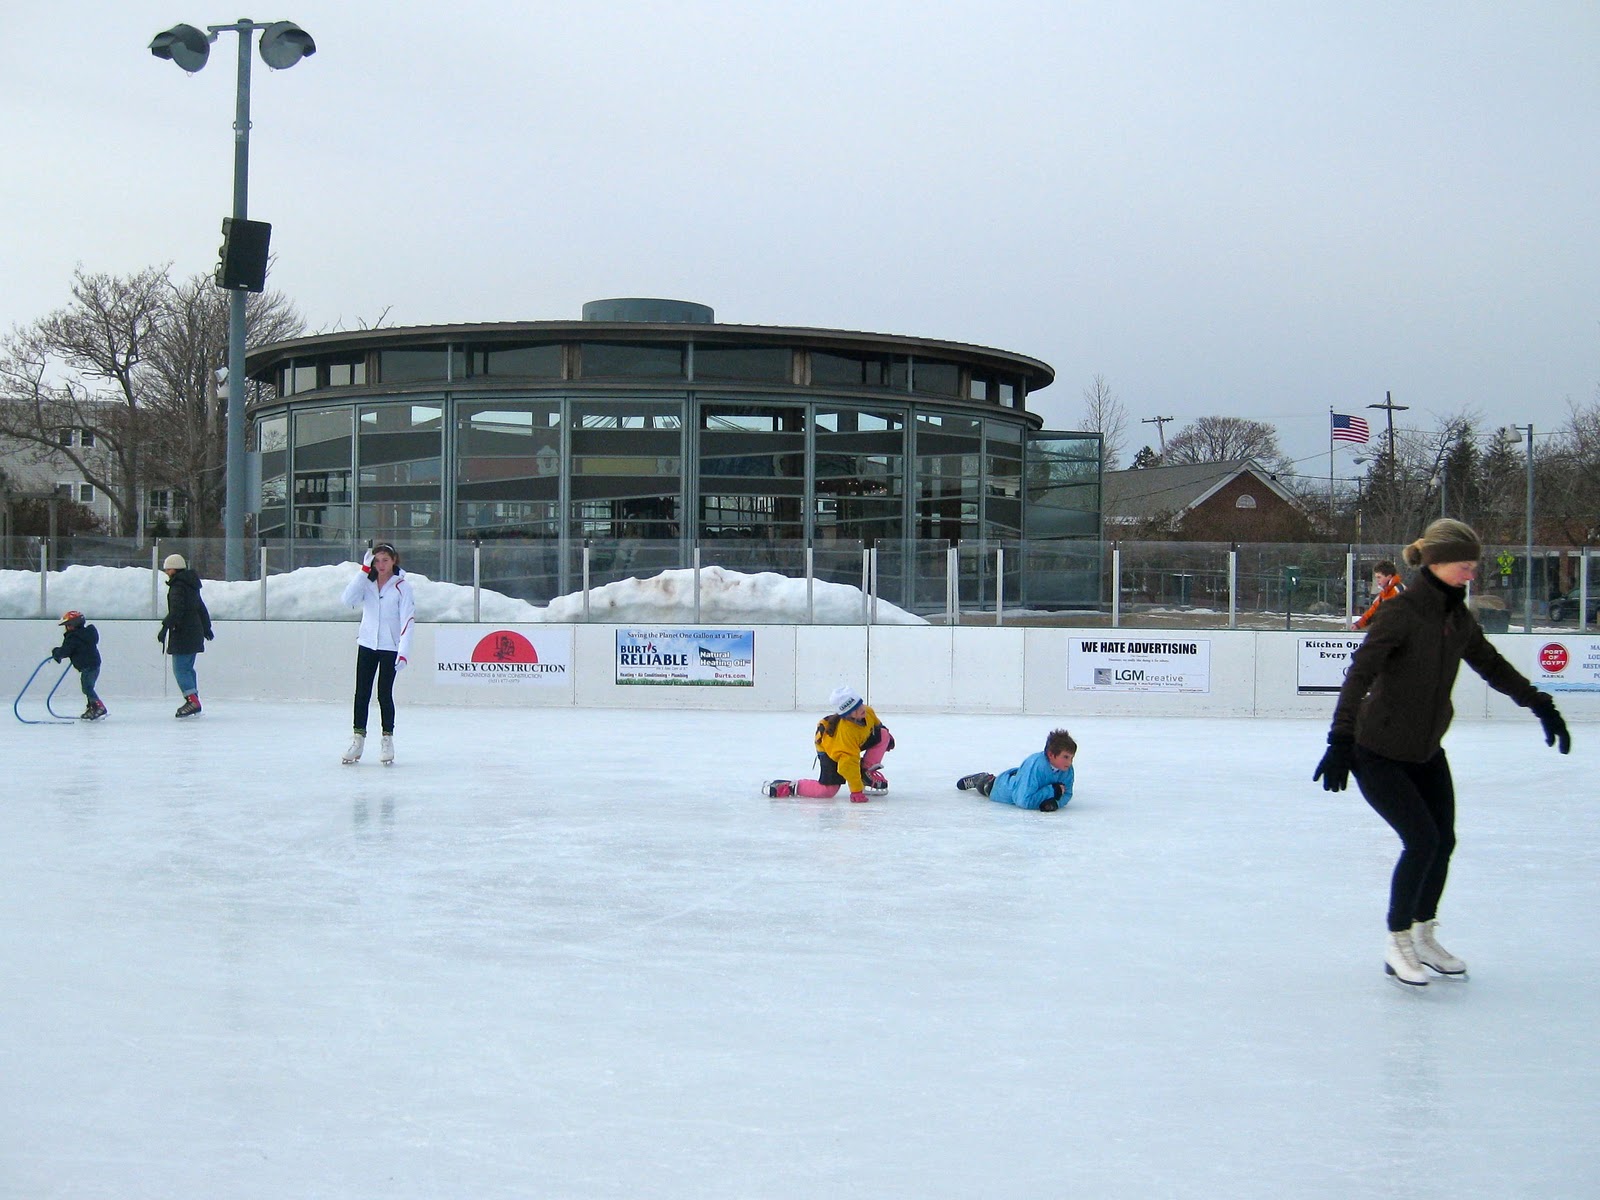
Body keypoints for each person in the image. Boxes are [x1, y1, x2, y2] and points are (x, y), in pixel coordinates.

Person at [1313, 519, 1571, 987]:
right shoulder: (1401, 612)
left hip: (1426, 751)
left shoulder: (1457, 618)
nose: (1471, 574)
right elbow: (1359, 677)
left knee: (1443, 841)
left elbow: (1491, 665)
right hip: (1378, 751)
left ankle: (1424, 933)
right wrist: (1340, 741)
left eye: (1474, 565)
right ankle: (1398, 941)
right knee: (1423, 841)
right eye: (1463, 565)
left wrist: (1541, 704)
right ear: (1435, 563)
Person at [340, 542, 416, 765]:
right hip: (367, 644)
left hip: (390, 647)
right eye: (377, 560)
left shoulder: (403, 587)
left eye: (385, 560)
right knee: (361, 693)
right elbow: (347, 600)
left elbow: (407, 620)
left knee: (384, 693)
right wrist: (363, 572)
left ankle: (387, 739)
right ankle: (358, 740)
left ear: (394, 560)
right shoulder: (367, 583)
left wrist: (403, 651)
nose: (381, 565)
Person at [764, 686, 894, 802]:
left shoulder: (868, 711)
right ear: (846, 715)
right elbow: (847, 764)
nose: (860, 710)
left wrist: (887, 738)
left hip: (854, 743)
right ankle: (788, 787)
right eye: (854, 709)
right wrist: (856, 790)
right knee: (828, 791)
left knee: (883, 734)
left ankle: (865, 771)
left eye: (859, 704)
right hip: (829, 749)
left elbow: (878, 726)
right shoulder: (846, 733)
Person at [956, 729, 1077, 811]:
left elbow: (1066, 794)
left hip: (1020, 778)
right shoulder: (1035, 766)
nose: (1070, 762)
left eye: (1072, 757)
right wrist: (1052, 791)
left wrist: (1055, 803)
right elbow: (1022, 801)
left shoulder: (1067, 769)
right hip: (1003, 788)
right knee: (988, 786)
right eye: (1065, 757)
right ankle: (980, 779)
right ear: (1051, 754)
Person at [157, 553, 213, 718]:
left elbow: (177, 611)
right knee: (188, 668)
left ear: (175, 569)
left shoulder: (178, 587)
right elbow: (201, 608)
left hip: (183, 633)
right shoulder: (191, 585)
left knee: (180, 669)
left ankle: (192, 701)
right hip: (195, 632)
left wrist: (164, 628)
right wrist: (206, 628)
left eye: (168, 569)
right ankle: (194, 698)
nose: (166, 572)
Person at [52, 610, 107, 720]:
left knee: (87, 688)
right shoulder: (87, 634)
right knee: (88, 687)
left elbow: (66, 651)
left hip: (87, 666)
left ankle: (98, 706)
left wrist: (56, 652)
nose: (66, 628)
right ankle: (92, 707)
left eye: (68, 625)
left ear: (74, 624)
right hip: (94, 664)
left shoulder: (73, 637)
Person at [1353, 560, 1404, 630]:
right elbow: (1373, 611)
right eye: (1376, 577)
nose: (1377, 580)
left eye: (1379, 577)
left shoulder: (1398, 591)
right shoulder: (1384, 593)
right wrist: (1358, 624)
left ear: (1389, 577)